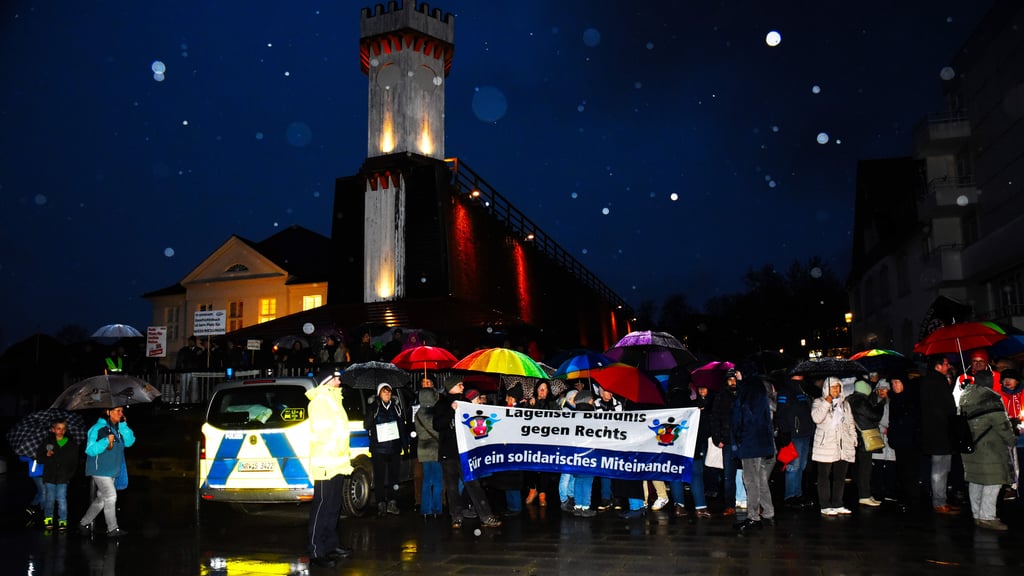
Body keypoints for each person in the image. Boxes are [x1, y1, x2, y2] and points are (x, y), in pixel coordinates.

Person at [433, 376, 501, 529]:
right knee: (451, 487)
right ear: (451, 387)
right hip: (448, 453)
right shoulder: (442, 404)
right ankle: (456, 517)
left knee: (473, 484)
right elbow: (437, 425)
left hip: (465, 452)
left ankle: (486, 516)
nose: (462, 387)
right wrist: (451, 410)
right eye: (459, 385)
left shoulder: (465, 403)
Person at [305, 369, 354, 567]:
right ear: (327, 381)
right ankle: (316, 551)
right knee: (322, 506)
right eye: (336, 378)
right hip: (325, 462)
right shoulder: (319, 402)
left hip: (337, 462)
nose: (339, 381)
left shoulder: (334, 400)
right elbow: (323, 432)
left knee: (334, 505)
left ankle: (331, 544)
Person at [959, 371, 1016, 531]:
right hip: (990, 448)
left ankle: (977, 514)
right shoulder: (992, 398)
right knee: (993, 481)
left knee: (976, 480)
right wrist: (1012, 440)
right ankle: (987, 517)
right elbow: (1002, 425)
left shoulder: (965, 396)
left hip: (971, 447)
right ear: (990, 381)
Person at [78, 406, 135, 538]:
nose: (121, 413)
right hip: (100, 470)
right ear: (108, 412)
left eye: (122, 411)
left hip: (113, 471)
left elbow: (130, 442)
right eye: (117, 411)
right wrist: (105, 441)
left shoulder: (118, 429)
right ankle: (112, 529)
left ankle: (83, 523)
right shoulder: (97, 428)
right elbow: (90, 450)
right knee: (111, 496)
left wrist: (123, 425)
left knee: (102, 500)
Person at [732, 374, 777, 534]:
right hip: (760, 441)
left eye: (737, 372)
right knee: (761, 477)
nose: (735, 375)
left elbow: (743, 417)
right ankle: (768, 510)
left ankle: (753, 517)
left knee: (751, 480)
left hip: (750, 441)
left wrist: (738, 437)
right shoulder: (759, 388)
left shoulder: (748, 390)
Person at [811, 377, 857, 516]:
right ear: (826, 388)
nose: (836, 390)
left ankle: (838, 503)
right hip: (826, 444)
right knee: (824, 476)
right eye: (833, 387)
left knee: (840, 477)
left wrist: (853, 438)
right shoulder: (818, 402)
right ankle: (825, 505)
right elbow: (816, 418)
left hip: (843, 445)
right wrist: (827, 403)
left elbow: (850, 423)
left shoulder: (845, 405)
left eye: (838, 387)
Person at [920, 354, 959, 515]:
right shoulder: (937, 381)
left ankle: (941, 499)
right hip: (939, 431)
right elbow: (947, 406)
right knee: (940, 468)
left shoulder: (929, 381)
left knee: (942, 467)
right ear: (938, 366)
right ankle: (939, 502)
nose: (948, 366)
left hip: (936, 431)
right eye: (946, 363)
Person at [670, 382, 714, 518]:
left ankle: (679, 505)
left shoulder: (668, 403)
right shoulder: (692, 406)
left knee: (675, 475)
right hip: (691, 447)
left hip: (673, 446)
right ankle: (700, 507)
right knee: (696, 474)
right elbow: (701, 430)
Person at [365, 382, 410, 516]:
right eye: (384, 392)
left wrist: (404, 445)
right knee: (379, 478)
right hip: (379, 449)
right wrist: (372, 409)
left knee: (393, 478)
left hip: (394, 448)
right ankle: (380, 503)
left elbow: (402, 427)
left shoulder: (396, 408)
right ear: (379, 393)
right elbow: (367, 424)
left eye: (389, 392)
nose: (387, 395)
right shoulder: (375, 407)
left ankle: (392, 502)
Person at [887, 373, 923, 513]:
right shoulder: (894, 399)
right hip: (899, 441)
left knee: (911, 471)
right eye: (892, 383)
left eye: (897, 382)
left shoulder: (912, 399)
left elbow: (914, 420)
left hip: (911, 441)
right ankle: (905, 497)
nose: (894, 385)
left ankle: (913, 499)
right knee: (902, 471)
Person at [848, 379, 886, 507]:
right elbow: (875, 415)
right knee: (865, 468)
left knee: (861, 467)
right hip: (864, 438)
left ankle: (865, 494)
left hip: (858, 438)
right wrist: (881, 404)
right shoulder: (861, 400)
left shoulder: (851, 399)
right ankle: (864, 495)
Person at [36, 418, 79, 532]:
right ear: (53, 429)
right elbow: (39, 459)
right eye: (58, 428)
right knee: (49, 499)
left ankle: (63, 520)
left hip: (63, 477)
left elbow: (74, 462)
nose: (61, 431)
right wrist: (47, 455)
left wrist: (69, 475)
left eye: (63, 429)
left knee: (61, 499)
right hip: (49, 476)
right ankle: (48, 518)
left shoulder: (71, 444)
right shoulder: (47, 443)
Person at [710, 368, 740, 516]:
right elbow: (715, 418)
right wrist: (717, 439)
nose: (733, 382)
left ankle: (754, 503)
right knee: (729, 475)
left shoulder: (743, 394)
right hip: (728, 441)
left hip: (743, 440)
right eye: (730, 380)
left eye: (735, 379)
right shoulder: (721, 396)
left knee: (750, 474)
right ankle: (730, 504)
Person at [414, 382, 443, 519]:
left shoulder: (418, 414)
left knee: (426, 480)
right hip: (435, 449)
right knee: (437, 481)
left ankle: (426, 509)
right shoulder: (435, 413)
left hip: (422, 449)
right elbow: (438, 430)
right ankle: (437, 509)